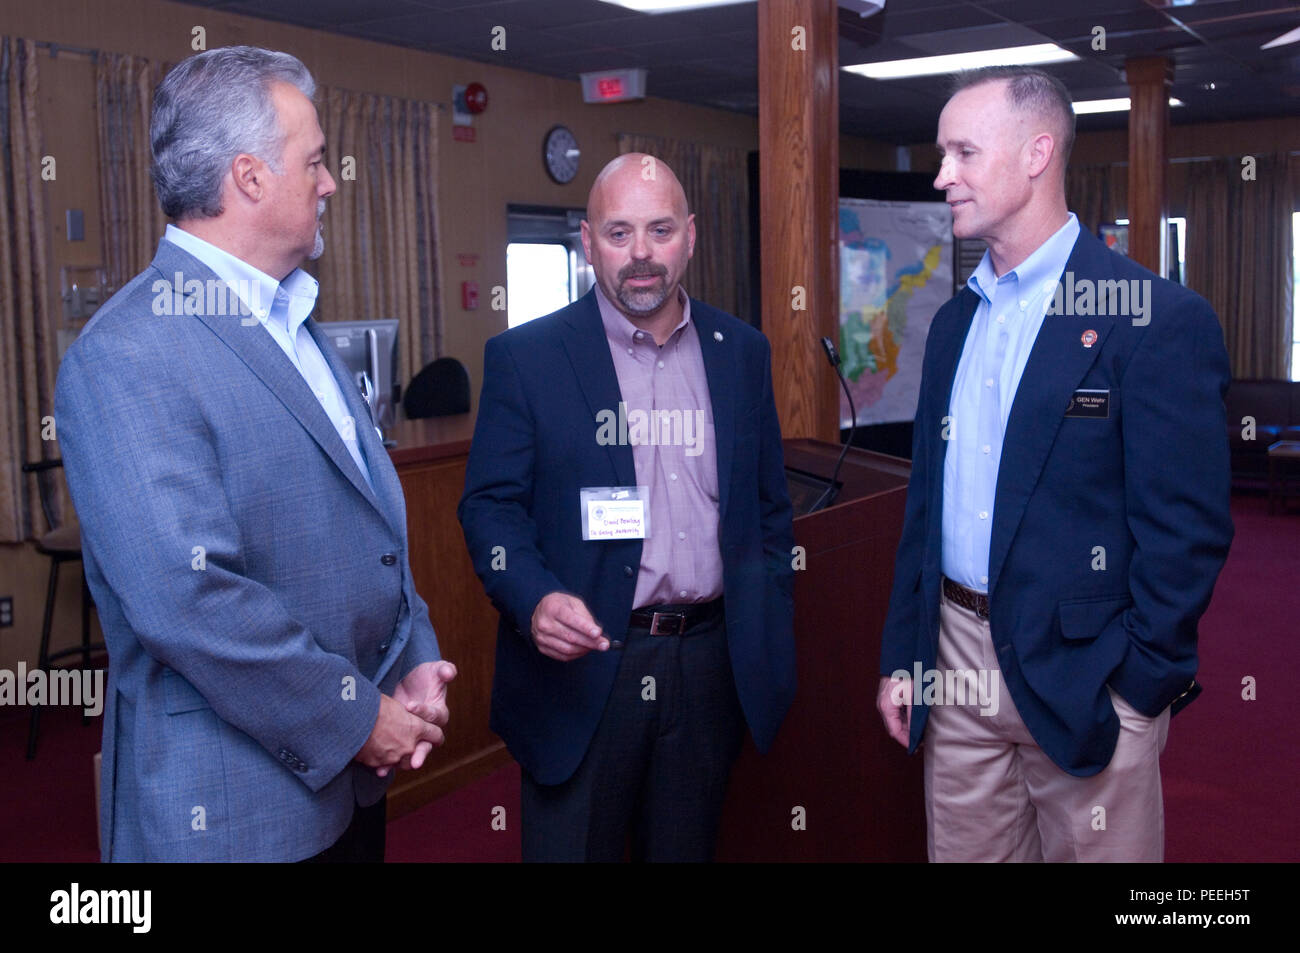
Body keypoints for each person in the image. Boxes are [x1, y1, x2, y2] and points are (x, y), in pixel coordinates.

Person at [55, 46, 456, 862]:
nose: (330, 181)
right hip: (237, 819)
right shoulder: (126, 353)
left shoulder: (296, 321)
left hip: (347, 787)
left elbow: (363, 520)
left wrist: (410, 660)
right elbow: (191, 600)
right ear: (248, 178)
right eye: (314, 160)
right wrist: (358, 718)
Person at [875, 66, 1233, 862]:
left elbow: (1188, 532)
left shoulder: (1151, 319)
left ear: (1038, 153)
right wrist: (907, 658)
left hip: (1087, 674)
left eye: (964, 153)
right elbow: (923, 513)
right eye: (942, 154)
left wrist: (1139, 691)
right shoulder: (954, 321)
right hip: (956, 666)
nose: (943, 176)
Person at [459, 154, 795, 862]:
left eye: (660, 229)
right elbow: (491, 508)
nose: (641, 254)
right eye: (618, 233)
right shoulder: (528, 358)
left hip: (708, 663)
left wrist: (763, 613)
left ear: (691, 236)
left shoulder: (743, 353)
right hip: (587, 668)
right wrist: (534, 597)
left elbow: (768, 510)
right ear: (587, 242)